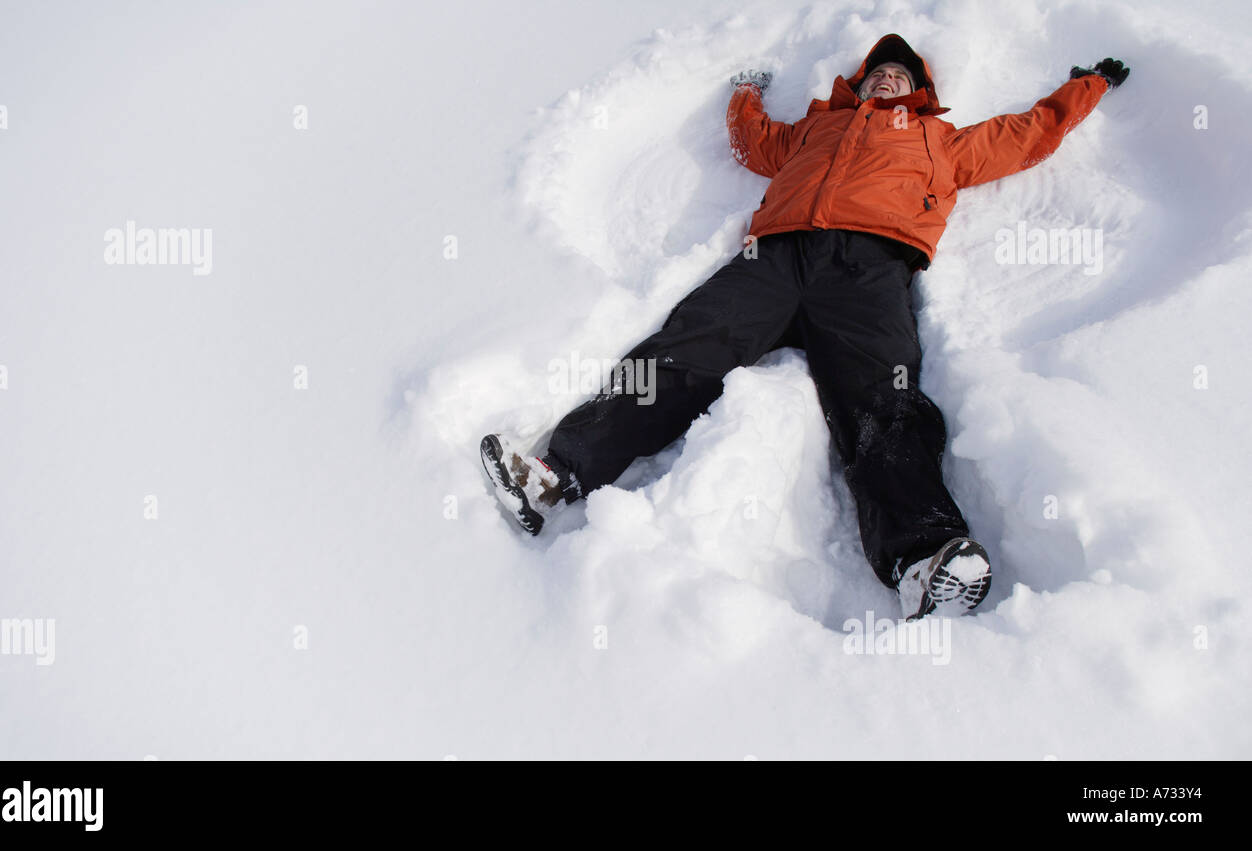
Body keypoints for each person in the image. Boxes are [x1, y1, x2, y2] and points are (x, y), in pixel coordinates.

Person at [481, 34, 1129, 620]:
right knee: (680, 352)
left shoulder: (941, 141)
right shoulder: (816, 130)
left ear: (921, 91)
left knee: (882, 400)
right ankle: (552, 474)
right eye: (877, 74)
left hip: (871, 268)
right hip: (776, 258)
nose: (886, 81)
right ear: (859, 82)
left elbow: (1030, 131)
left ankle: (924, 557)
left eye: (900, 76)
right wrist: (745, 92)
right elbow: (754, 140)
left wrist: (1088, 85)